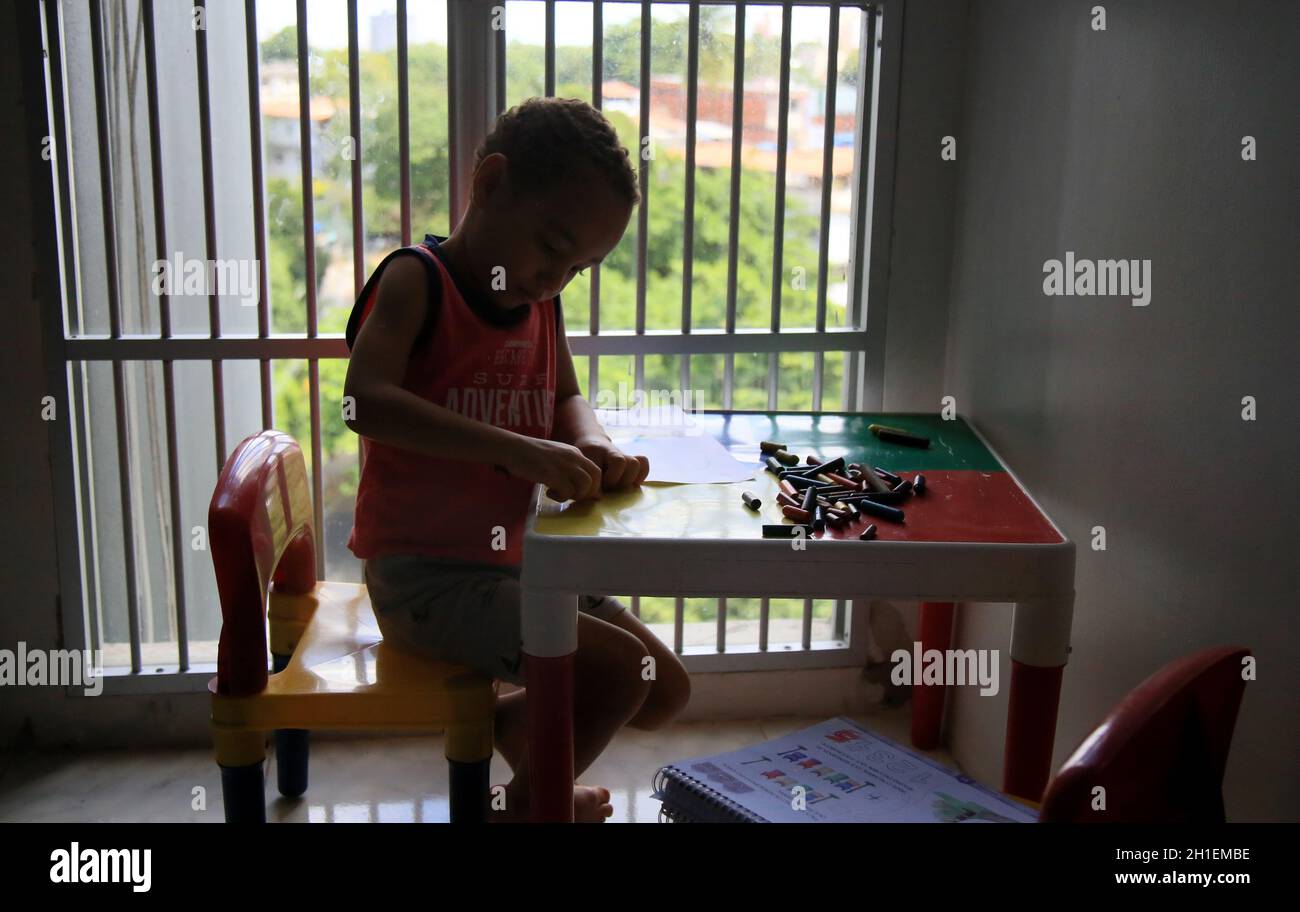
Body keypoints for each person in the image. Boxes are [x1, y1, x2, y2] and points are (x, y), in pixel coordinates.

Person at [343, 97, 691, 821]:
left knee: (662, 689)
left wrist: (589, 439)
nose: (554, 279)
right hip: (424, 581)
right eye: (551, 245)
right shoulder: (417, 282)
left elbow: (566, 394)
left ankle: (515, 733)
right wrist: (518, 453)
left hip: (520, 564)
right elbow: (364, 402)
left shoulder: (541, 304)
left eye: (579, 267)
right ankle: (532, 811)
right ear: (490, 183)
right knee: (616, 672)